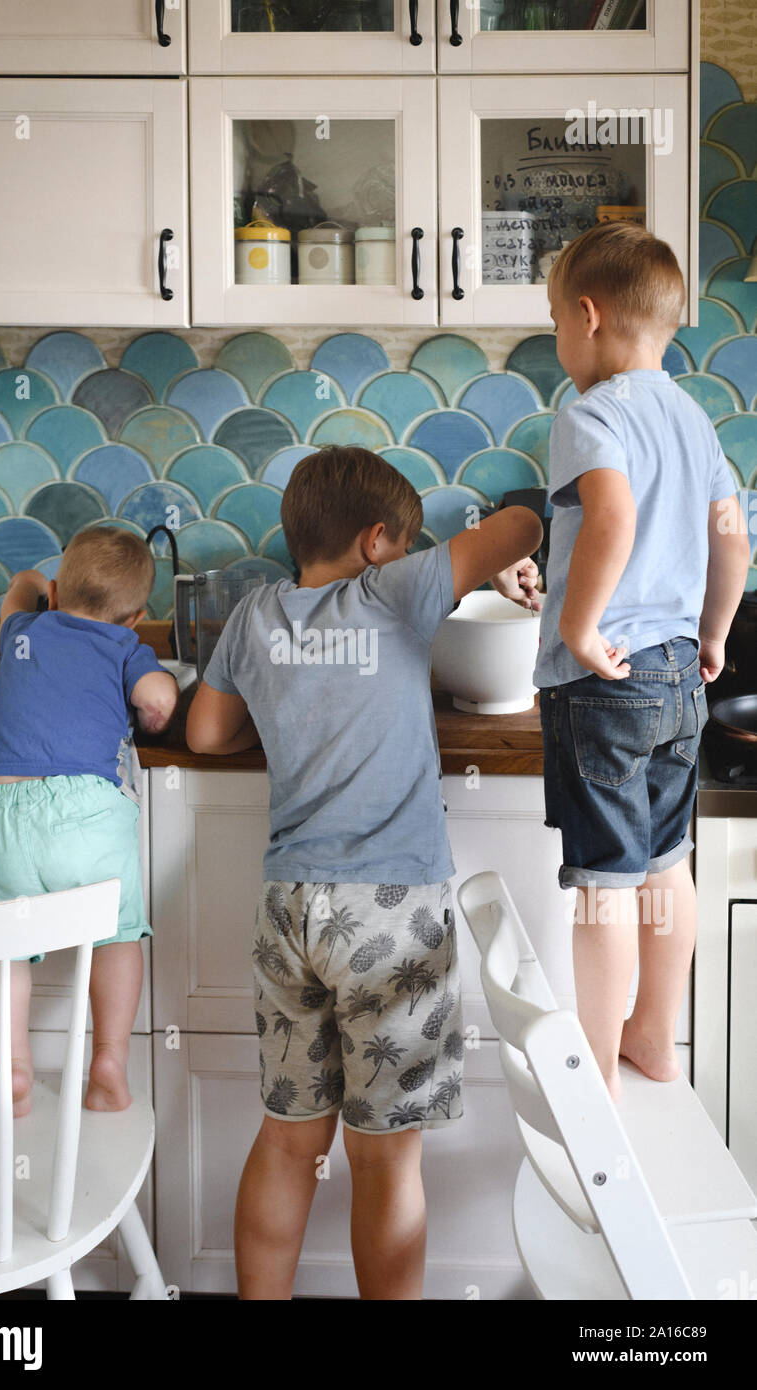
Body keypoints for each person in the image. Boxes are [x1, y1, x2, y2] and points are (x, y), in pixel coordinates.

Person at [185, 444, 543, 1299]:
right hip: (393, 914)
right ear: (380, 540)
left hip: (290, 908)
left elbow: (204, 735)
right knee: (385, 1160)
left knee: (285, 1139)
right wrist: (501, 562)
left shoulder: (255, 616)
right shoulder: (396, 590)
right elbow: (524, 523)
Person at [536, 221, 751, 1101]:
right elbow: (731, 535)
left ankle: (594, 1069)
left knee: (604, 883)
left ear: (587, 315)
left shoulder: (589, 414)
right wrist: (715, 633)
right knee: (667, 865)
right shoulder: (694, 417)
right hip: (676, 674)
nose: (557, 338)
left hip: (605, 680)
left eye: (554, 320)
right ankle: (655, 1038)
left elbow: (613, 519)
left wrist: (582, 629)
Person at [0, 525, 178, 1119]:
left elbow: (18, 587)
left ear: (56, 593)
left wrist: (34, 582)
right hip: (89, 811)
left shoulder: (22, 629)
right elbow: (158, 700)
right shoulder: (125, 646)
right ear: (136, 616)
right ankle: (108, 1058)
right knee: (116, 936)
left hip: (2, 811)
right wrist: (155, 712)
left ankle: (11, 1069)